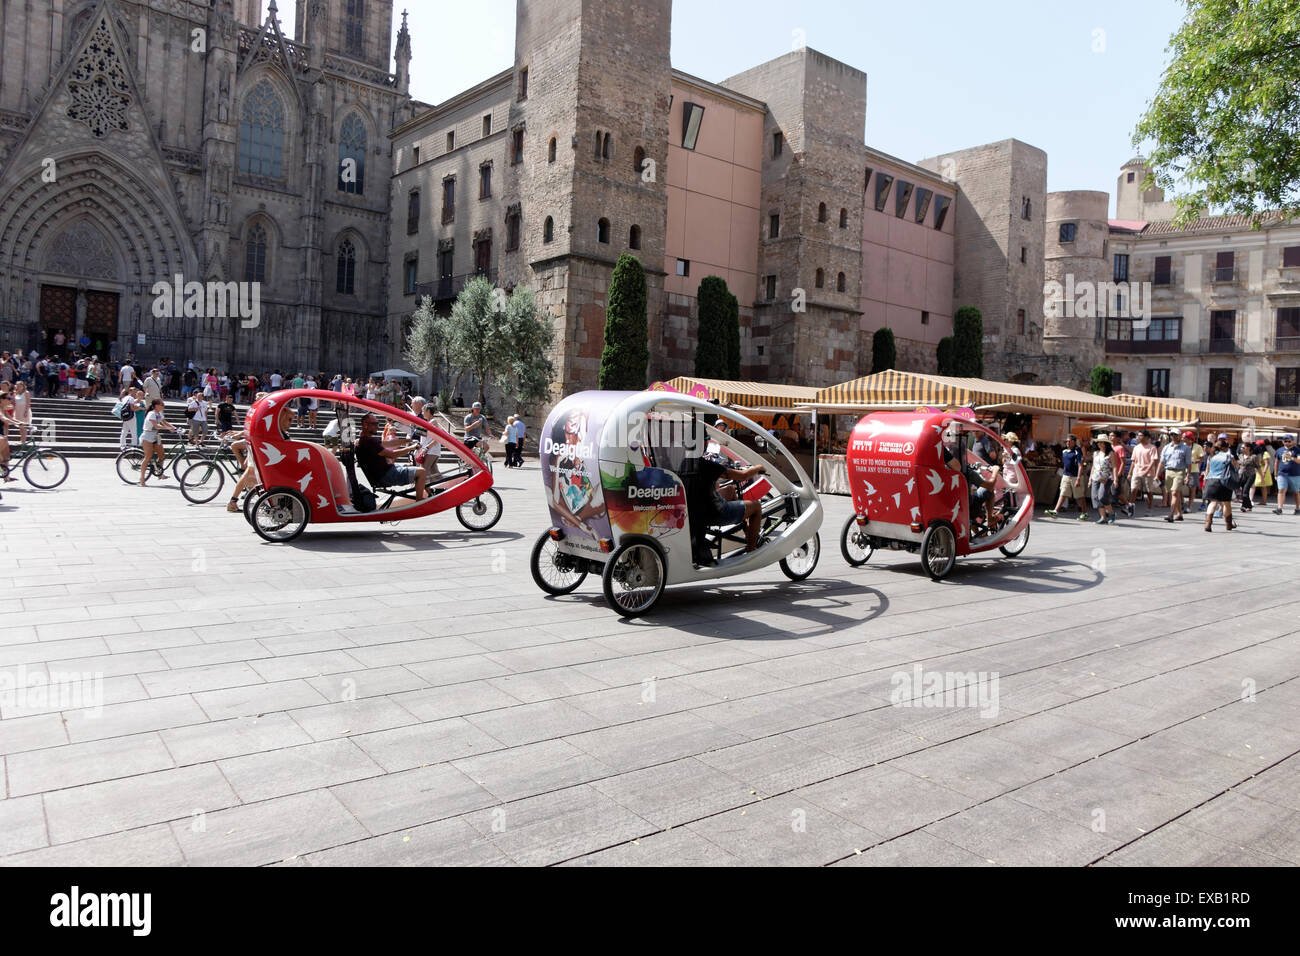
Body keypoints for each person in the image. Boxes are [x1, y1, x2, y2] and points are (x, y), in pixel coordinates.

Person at [691, 452, 768, 560]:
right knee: (756, 506)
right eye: (706, 439)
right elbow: (743, 475)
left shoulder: (685, 463)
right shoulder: (705, 464)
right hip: (715, 511)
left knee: (730, 490)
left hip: (698, 509)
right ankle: (751, 551)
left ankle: (747, 532)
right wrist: (757, 468)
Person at [356, 412, 428, 501]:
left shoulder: (365, 440)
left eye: (378, 424)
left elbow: (390, 443)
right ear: (365, 425)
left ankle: (430, 492)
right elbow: (392, 454)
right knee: (422, 472)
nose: (377, 427)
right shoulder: (370, 442)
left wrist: (409, 440)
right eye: (374, 424)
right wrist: (411, 447)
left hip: (384, 473)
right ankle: (419, 502)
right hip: (386, 475)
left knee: (413, 467)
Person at [1045, 434, 1089, 520]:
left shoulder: (1077, 451)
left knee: (1079, 496)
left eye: (1069, 441)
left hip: (1076, 476)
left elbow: (1080, 466)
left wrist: (1079, 479)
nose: (1067, 443)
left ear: (1074, 442)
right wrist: (1064, 472)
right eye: (1066, 441)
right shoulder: (1064, 452)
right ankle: (1055, 511)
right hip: (1066, 475)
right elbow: (1065, 464)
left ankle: (1084, 513)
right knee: (1063, 493)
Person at [138, 398, 176, 485]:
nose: (163, 406)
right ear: (156, 406)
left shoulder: (159, 414)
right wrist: (168, 428)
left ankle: (160, 473)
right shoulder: (151, 414)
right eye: (161, 404)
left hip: (155, 435)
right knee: (148, 457)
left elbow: (164, 422)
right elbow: (156, 425)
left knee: (162, 454)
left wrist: (173, 427)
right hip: (147, 436)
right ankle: (142, 478)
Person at [1203, 438, 1237, 531]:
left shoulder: (1211, 456)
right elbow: (1235, 467)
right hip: (1223, 481)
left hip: (1211, 480)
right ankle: (1228, 524)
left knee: (1212, 502)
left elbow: (1208, 469)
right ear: (1225, 448)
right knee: (1226, 503)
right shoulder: (1229, 456)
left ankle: (1208, 523)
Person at [1159, 430, 1193, 523]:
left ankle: (1171, 515)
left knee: (1174, 493)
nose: (1173, 436)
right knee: (1174, 493)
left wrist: (1188, 475)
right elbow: (1162, 461)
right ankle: (1179, 514)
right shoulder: (1166, 447)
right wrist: (1157, 474)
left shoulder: (1186, 448)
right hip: (1168, 471)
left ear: (1180, 436)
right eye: (1172, 434)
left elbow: (1188, 463)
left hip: (1179, 472)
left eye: (1175, 435)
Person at [1128, 431, 1160, 514]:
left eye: (1140, 436)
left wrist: (1147, 470)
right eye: (1137, 436)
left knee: (1149, 491)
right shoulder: (1136, 447)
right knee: (1133, 489)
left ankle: (1149, 508)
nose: (1138, 437)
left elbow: (1153, 461)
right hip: (1137, 471)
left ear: (1146, 437)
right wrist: (1130, 473)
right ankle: (1131, 507)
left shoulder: (1152, 448)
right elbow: (1133, 461)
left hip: (1148, 473)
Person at [1090, 435, 1118, 525]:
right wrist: (1090, 479)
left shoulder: (1111, 453)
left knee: (1102, 496)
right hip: (1096, 477)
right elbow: (1093, 467)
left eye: (1101, 442)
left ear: (1106, 443)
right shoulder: (1096, 453)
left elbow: (1114, 467)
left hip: (1106, 477)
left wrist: (1116, 479)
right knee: (1095, 497)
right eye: (1098, 442)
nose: (1099, 444)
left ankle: (1112, 513)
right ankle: (1103, 517)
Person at [1273, 434, 1300, 515]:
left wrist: (1291, 458)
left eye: (1289, 441)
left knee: (1296, 492)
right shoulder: (1279, 450)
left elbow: (1299, 461)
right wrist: (1275, 473)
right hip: (1282, 474)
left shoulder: (1297, 450)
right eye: (1285, 441)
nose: (1287, 443)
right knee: (1281, 490)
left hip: (1295, 474)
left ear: (1293, 441)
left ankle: (1297, 508)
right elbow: (1276, 462)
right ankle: (1279, 508)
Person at [1235, 441, 1259, 512]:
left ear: (1248, 448)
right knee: (1243, 492)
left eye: (1243, 447)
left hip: (1250, 475)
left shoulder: (1253, 457)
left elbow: (1258, 467)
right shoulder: (1240, 456)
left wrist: (1262, 477)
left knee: (1245, 490)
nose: (1241, 448)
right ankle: (1248, 505)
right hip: (1241, 475)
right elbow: (1237, 466)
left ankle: (1244, 506)